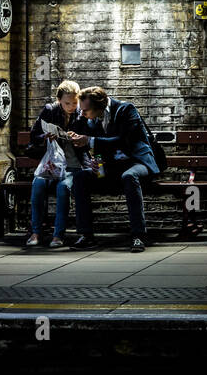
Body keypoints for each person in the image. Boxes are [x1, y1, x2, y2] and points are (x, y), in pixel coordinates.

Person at [68, 87, 161, 252]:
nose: (82, 114)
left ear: (100, 106)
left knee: (129, 176)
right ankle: (86, 235)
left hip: (137, 162)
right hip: (112, 168)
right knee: (81, 177)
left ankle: (138, 236)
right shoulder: (92, 118)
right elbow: (97, 148)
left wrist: (90, 140)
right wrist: (96, 163)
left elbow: (124, 141)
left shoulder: (126, 110)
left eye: (85, 110)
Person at [24, 80, 87, 248]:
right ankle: (36, 232)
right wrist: (45, 138)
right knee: (38, 184)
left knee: (62, 188)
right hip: (51, 165)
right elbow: (34, 137)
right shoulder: (50, 111)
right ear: (59, 100)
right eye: (67, 103)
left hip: (72, 165)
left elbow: (89, 139)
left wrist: (77, 138)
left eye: (74, 102)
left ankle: (58, 235)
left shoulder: (82, 113)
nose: (72, 106)